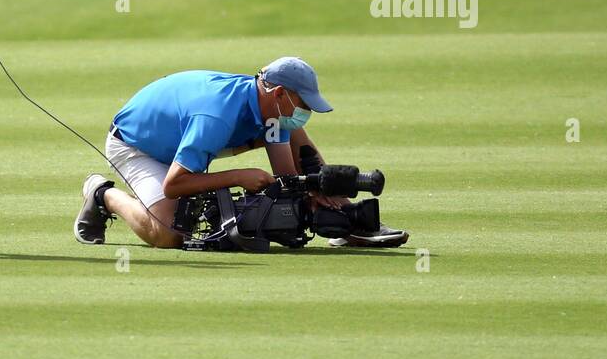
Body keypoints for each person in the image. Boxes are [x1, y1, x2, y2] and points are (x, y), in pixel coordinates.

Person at [74, 56, 408, 249]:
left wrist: (319, 194)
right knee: (167, 233)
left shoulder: (273, 109)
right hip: (137, 146)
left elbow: (290, 176)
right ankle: (102, 195)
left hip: (185, 139)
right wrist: (240, 176)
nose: (304, 111)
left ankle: (348, 221)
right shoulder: (217, 115)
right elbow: (174, 184)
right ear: (278, 93)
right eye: (303, 104)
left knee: (293, 140)